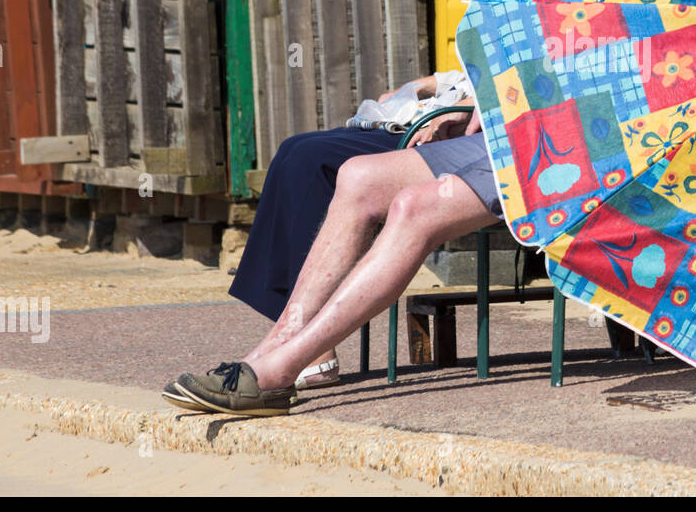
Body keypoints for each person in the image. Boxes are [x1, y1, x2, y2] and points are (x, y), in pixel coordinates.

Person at [163, 73, 503, 415]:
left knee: (409, 206)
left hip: (542, 142)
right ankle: (273, 346)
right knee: (355, 175)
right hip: (495, 128)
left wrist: (473, 101)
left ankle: (281, 369)